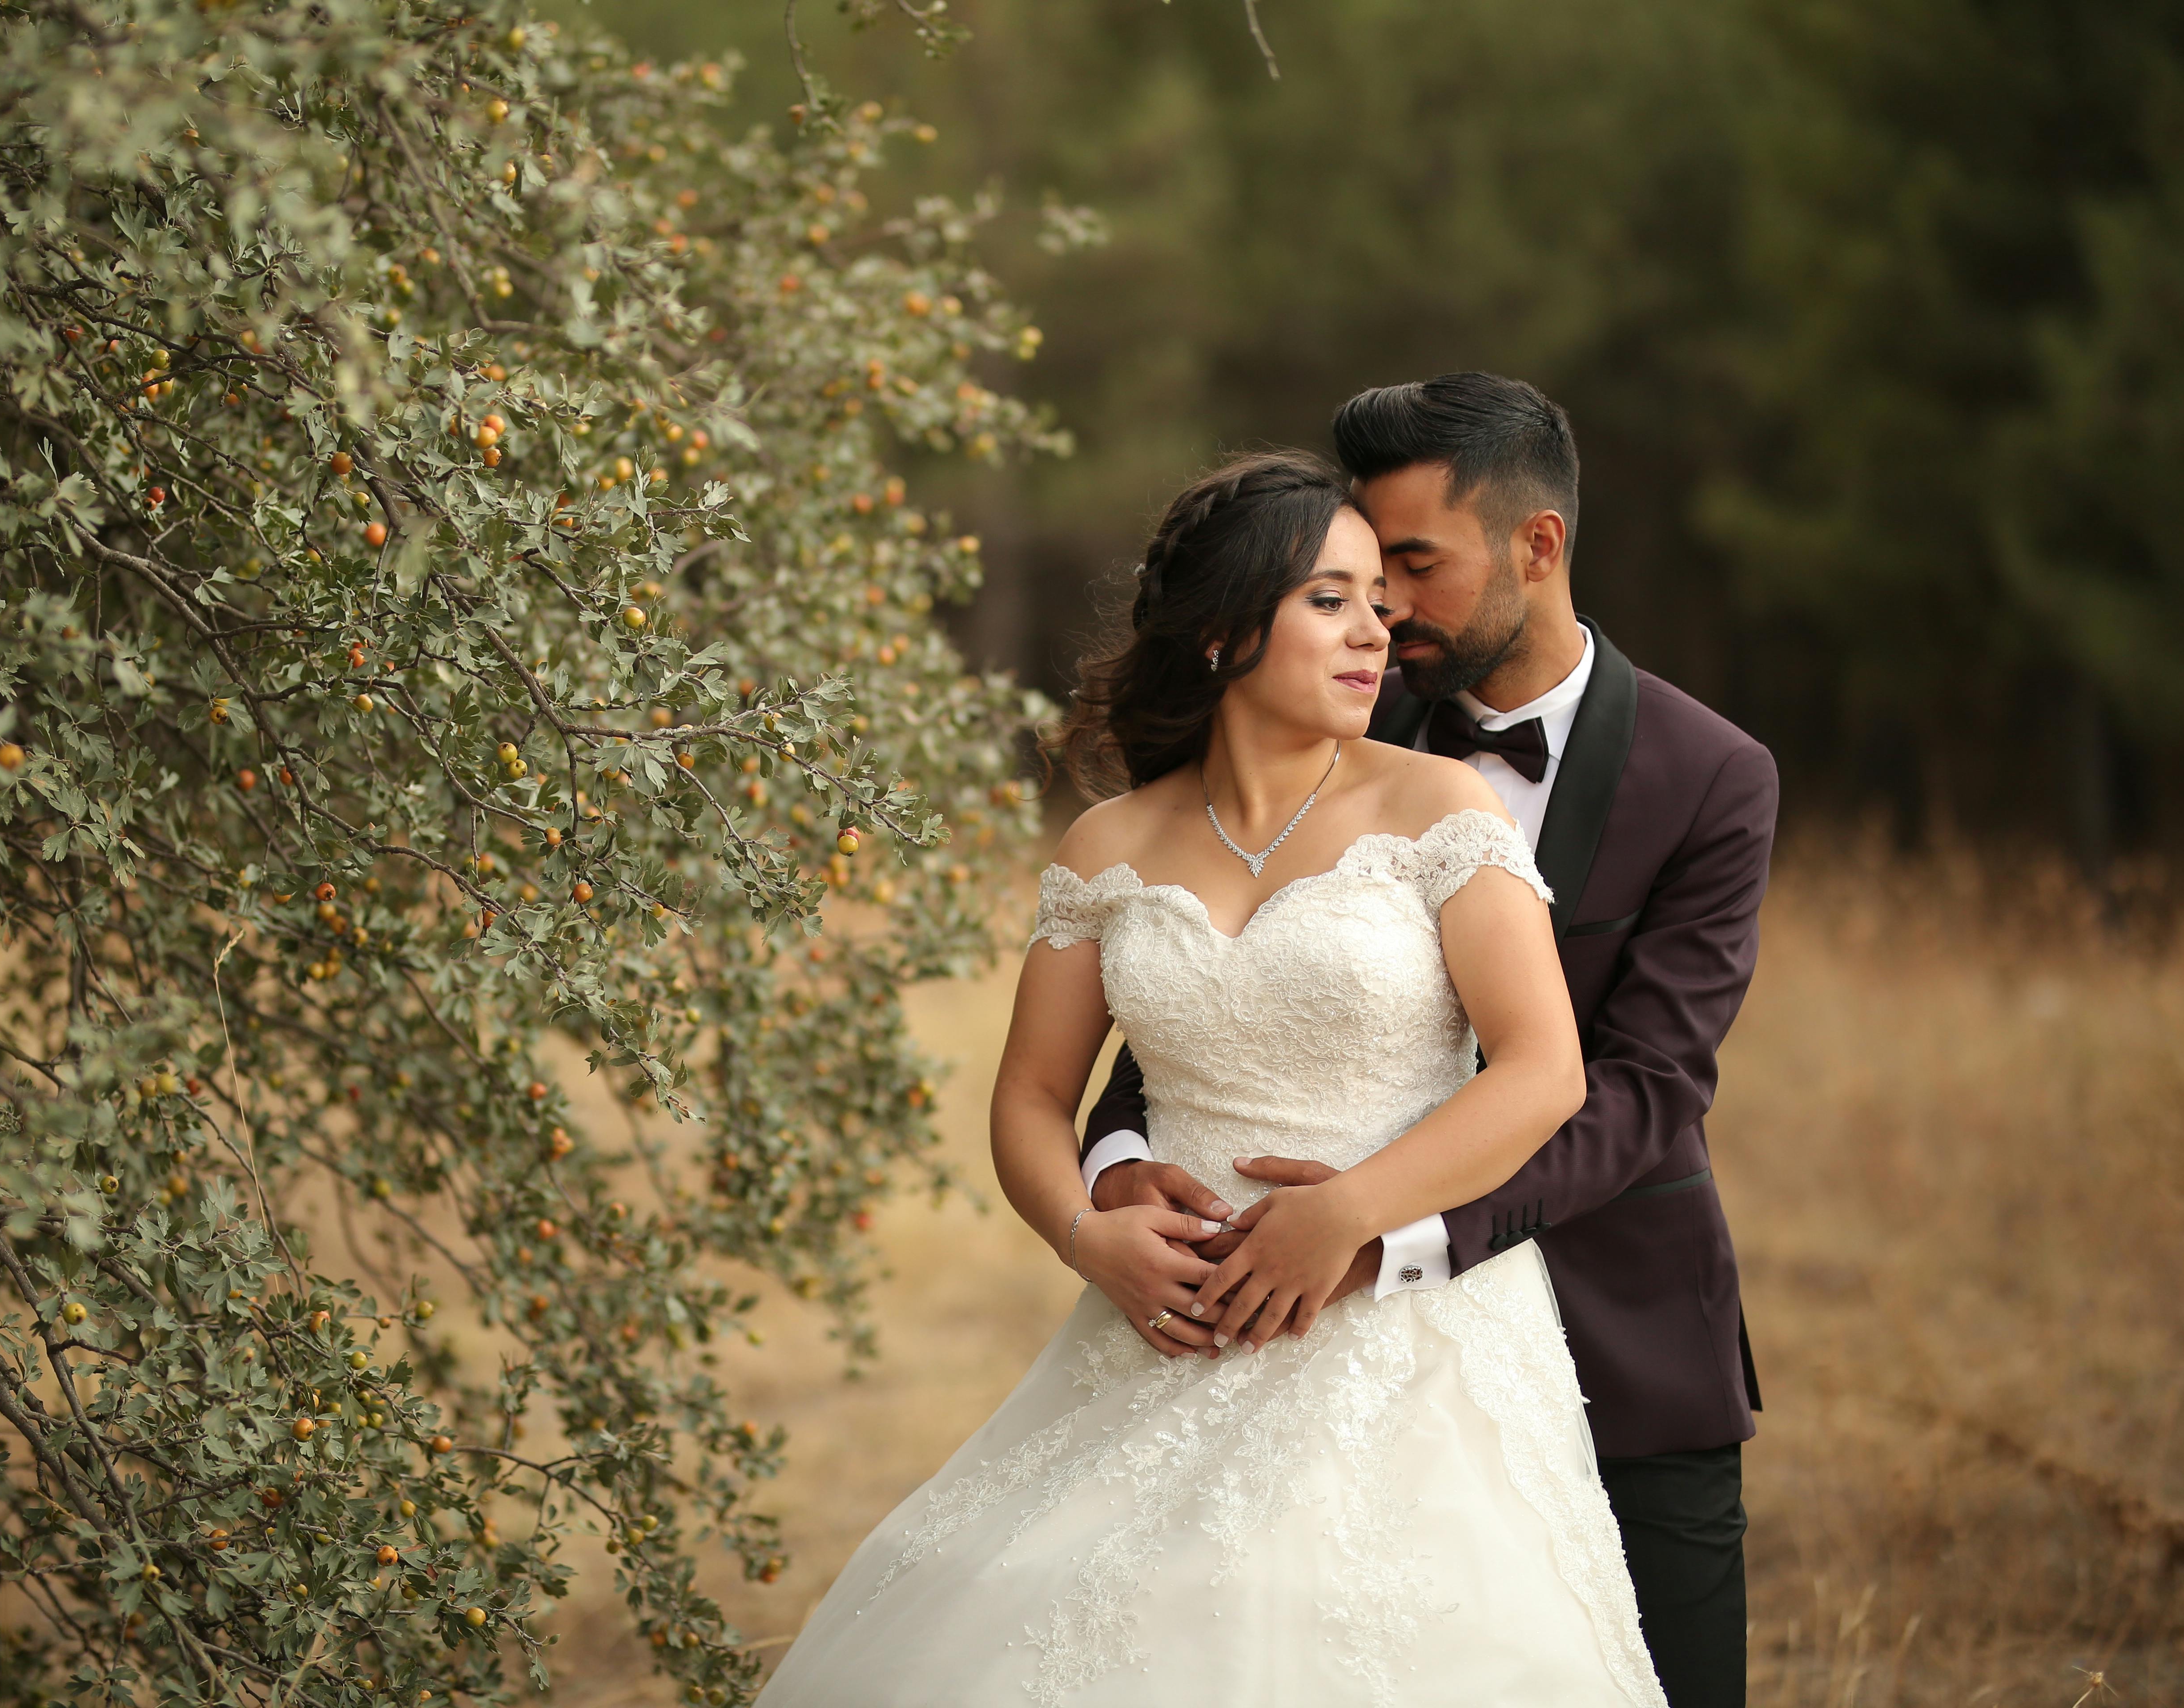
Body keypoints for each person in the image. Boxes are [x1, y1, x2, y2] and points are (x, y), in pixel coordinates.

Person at [757, 448, 1665, 1707]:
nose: (1376, 628)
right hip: (1166, 1326)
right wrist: (1089, 1237)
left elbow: (1545, 1071)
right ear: (1228, 631)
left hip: (1401, 1335)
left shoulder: (1439, 808)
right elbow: (1031, 1101)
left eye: (1380, 600)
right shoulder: (1110, 844)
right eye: (1331, 599)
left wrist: (1350, 1213)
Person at [1082, 374, 1777, 1707]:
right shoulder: (1336, 710)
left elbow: (1644, 1089)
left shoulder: (1712, 773)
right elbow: (1192, 994)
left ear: (1538, 547)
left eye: (1415, 564)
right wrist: (1118, 1168)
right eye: (1362, 567)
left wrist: (1383, 1237)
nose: (1382, 607)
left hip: (1623, 1326)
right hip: (1314, 1366)